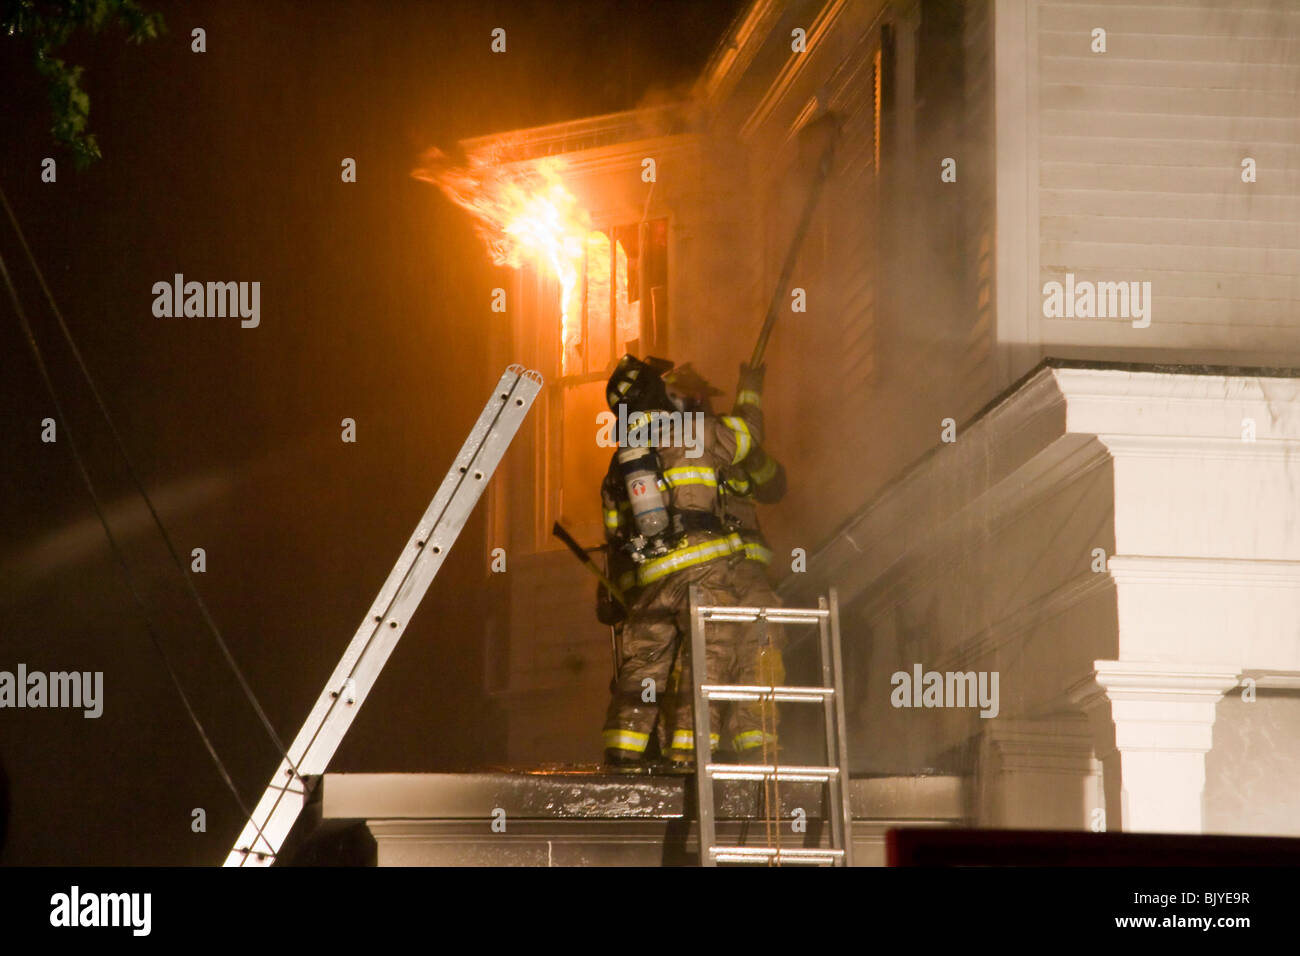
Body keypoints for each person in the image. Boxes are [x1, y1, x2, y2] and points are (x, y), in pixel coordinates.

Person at [599, 354, 766, 767]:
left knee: (645, 664)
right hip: (703, 566)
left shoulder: (622, 460)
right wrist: (750, 390)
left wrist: (618, 590)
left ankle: (623, 751)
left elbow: (615, 534)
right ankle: (691, 757)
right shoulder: (695, 430)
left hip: (651, 578)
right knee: (707, 658)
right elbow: (748, 435)